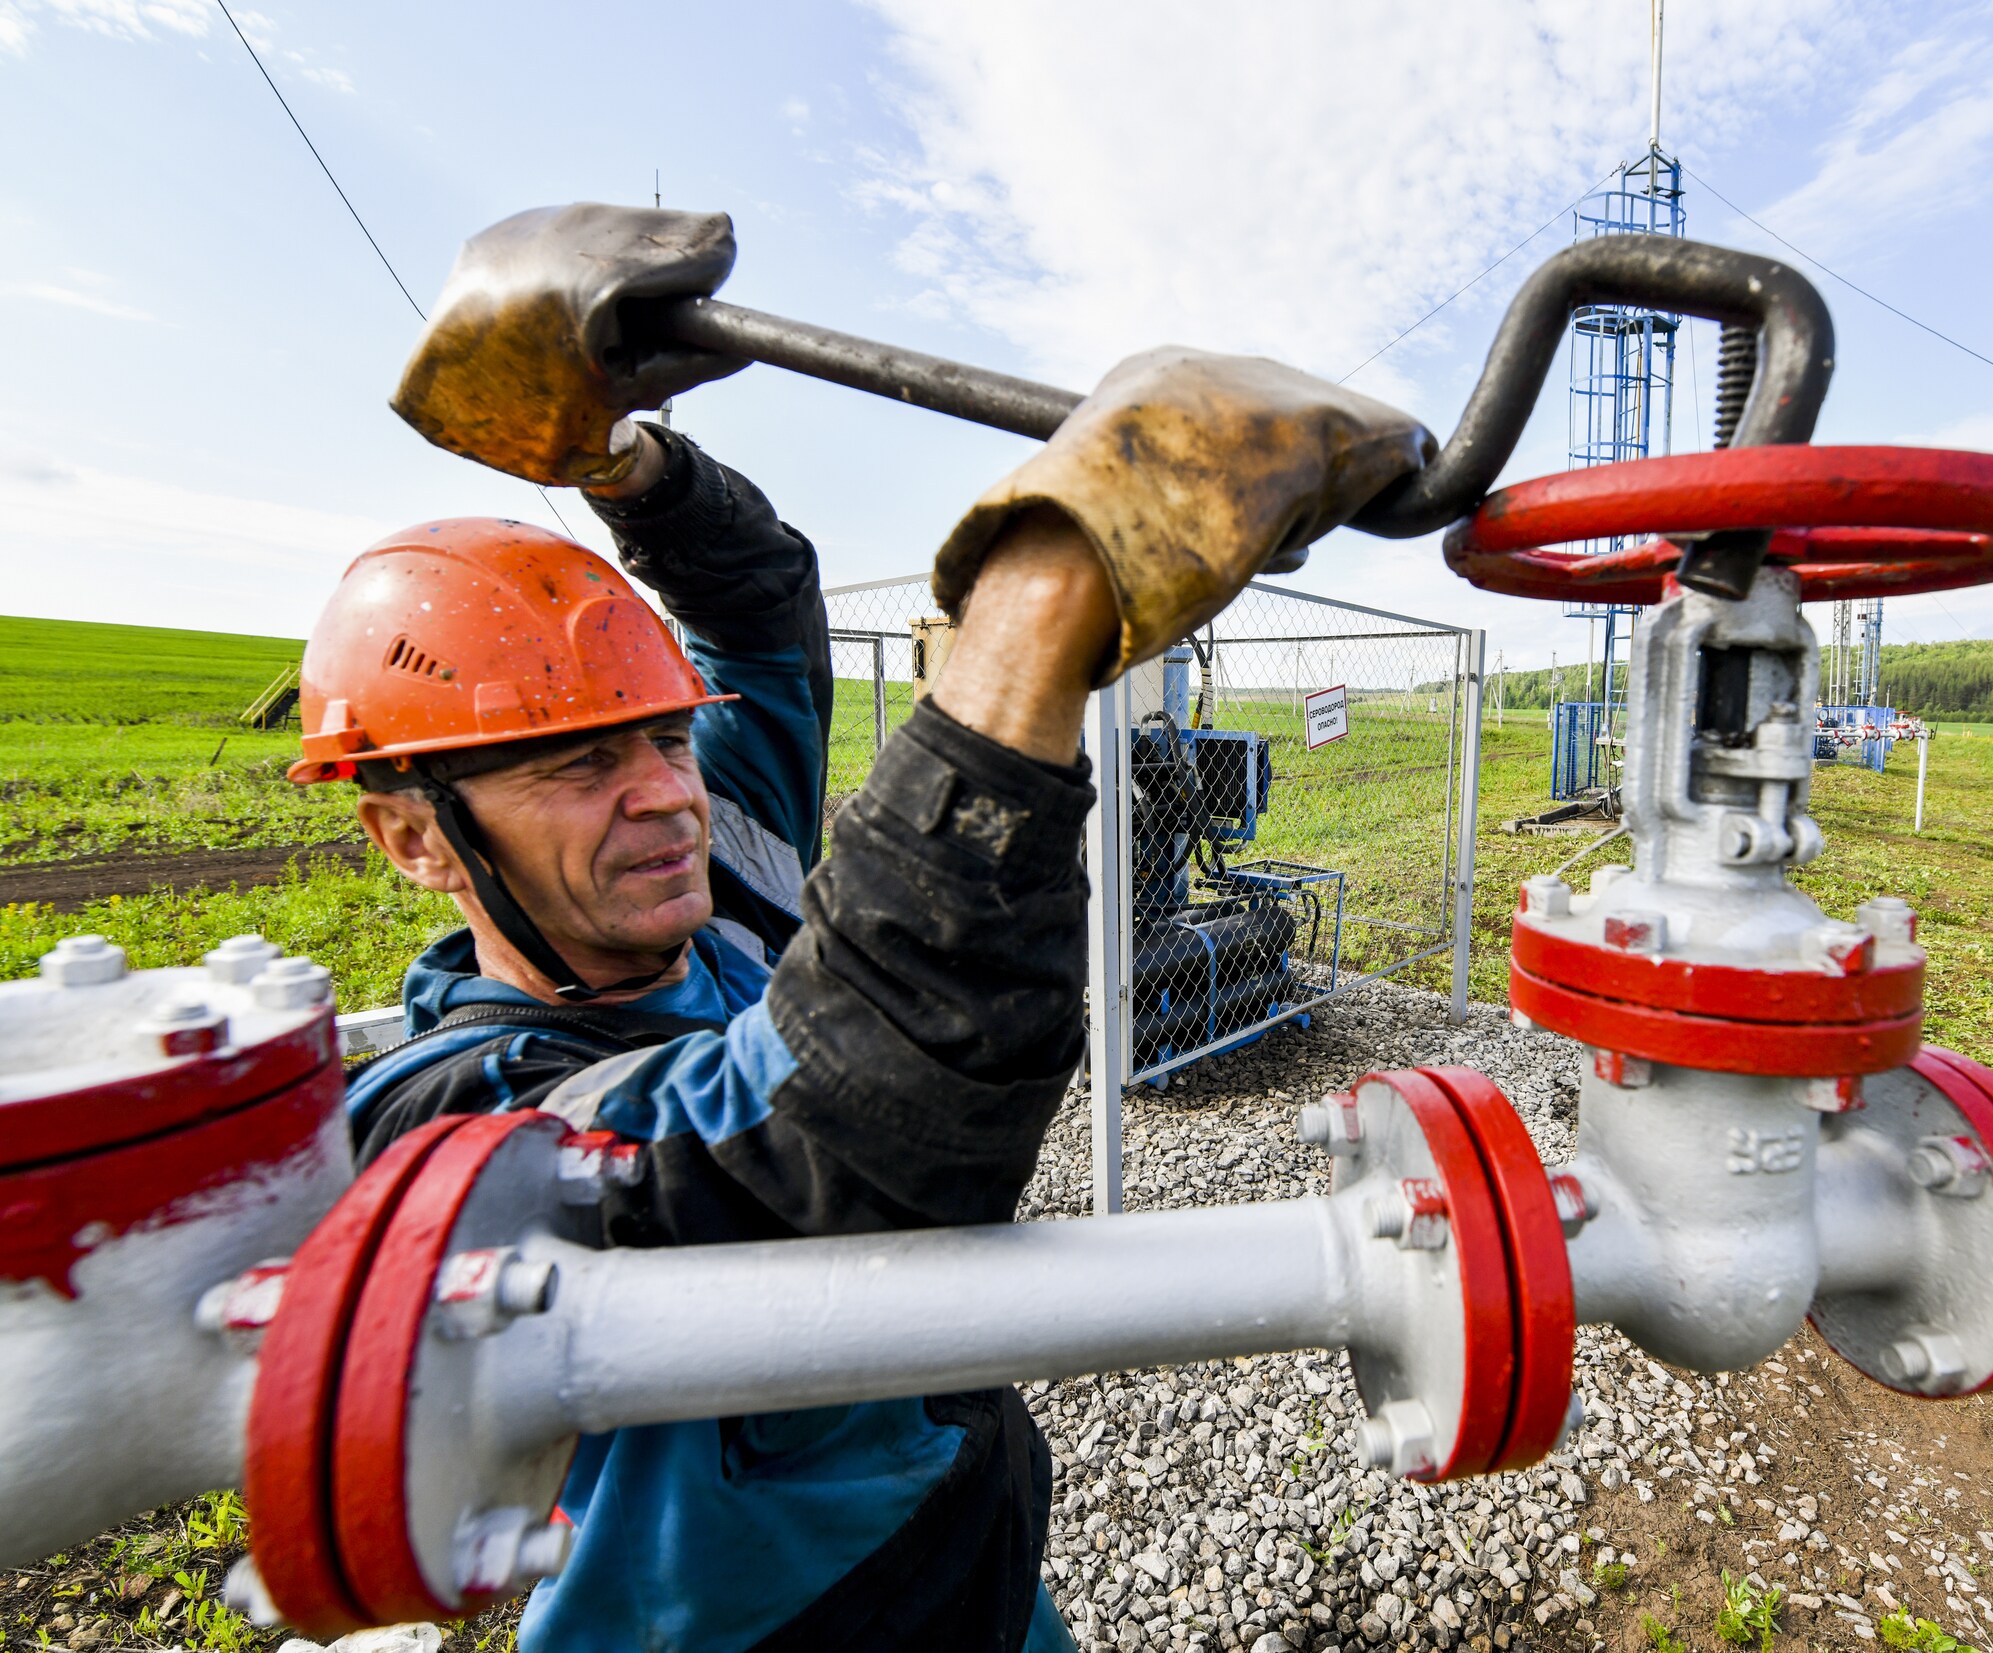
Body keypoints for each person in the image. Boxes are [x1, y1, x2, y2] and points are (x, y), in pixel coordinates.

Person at [291, 204, 1431, 1652]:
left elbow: (761, 611)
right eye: (578, 763)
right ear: (411, 835)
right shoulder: (453, 1128)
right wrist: (1049, 589)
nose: (667, 798)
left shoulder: (711, 869)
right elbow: (843, 1125)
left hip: (974, 1558)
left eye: (665, 737)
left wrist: (620, 461)